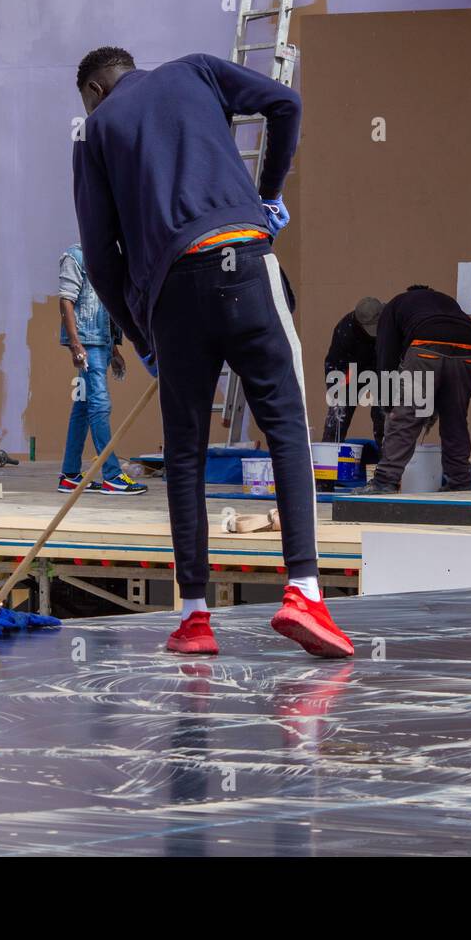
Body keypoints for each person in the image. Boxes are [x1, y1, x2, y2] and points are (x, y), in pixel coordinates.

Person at [72, 45, 352, 659]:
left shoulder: (95, 133)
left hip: (173, 294)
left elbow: (100, 258)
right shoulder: (195, 70)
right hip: (246, 262)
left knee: (185, 456)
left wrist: (144, 335)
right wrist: (268, 194)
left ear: (94, 91)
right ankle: (303, 589)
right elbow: (286, 103)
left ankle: (195, 617)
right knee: (285, 427)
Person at [354, 284, 471, 494]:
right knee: (455, 417)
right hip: (466, 345)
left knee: (405, 417)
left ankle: (385, 481)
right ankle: (460, 481)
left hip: (425, 344)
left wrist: (387, 403)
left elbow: (386, 358)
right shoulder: (442, 300)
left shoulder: (393, 307)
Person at [57, 241, 148, 495]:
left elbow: (106, 307)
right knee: (99, 405)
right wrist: (75, 344)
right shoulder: (75, 256)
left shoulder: (106, 260)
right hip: (87, 344)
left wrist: (115, 349)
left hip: (101, 343)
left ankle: (70, 475)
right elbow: (66, 300)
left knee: (83, 406)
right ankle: (112, 476)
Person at [323, 296, 386, 447]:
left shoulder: (391, 318)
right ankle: (330, 457)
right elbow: (334, 364)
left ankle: (388, 462)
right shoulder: (345, 330)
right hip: (353, 371)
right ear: (359, 323)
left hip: (383, 369)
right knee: (338, 415)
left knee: (384, 415)